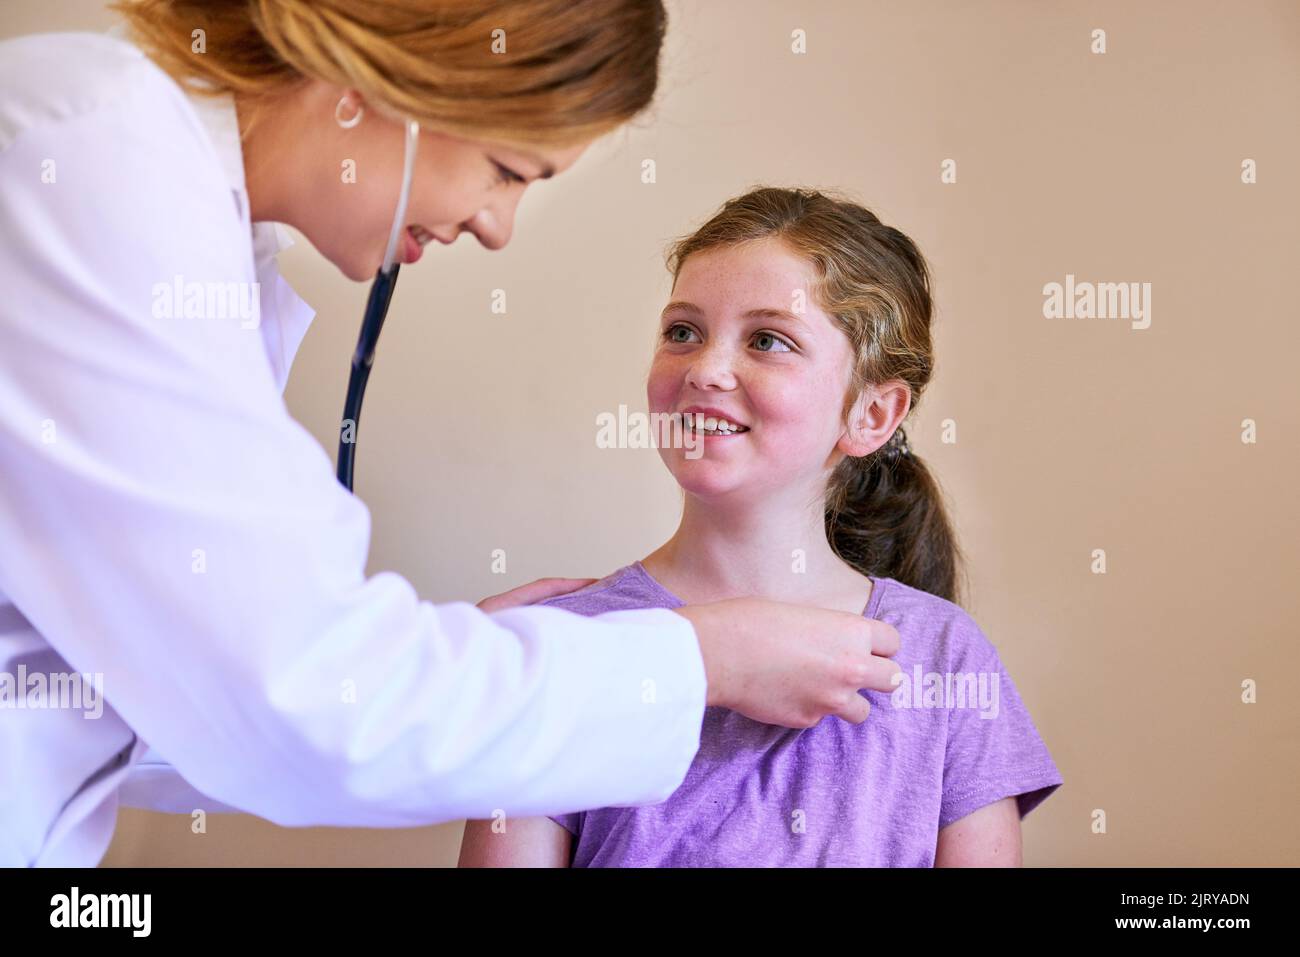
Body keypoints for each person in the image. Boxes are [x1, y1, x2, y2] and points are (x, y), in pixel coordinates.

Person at [0, 2, 904, 868]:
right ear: (404, 65)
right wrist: (706, 660)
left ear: (876, 414)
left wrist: (454, 654)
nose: (496, 227)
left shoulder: (194, 237)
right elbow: (295, 710)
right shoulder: (87, 164)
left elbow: (159, 695)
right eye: (509, 170)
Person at [458, 187, 1063, 867]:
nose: (706, 370)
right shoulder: (568, 649)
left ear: (870, 413)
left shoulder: (947, 658)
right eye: (682, 331)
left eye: (768, 340)